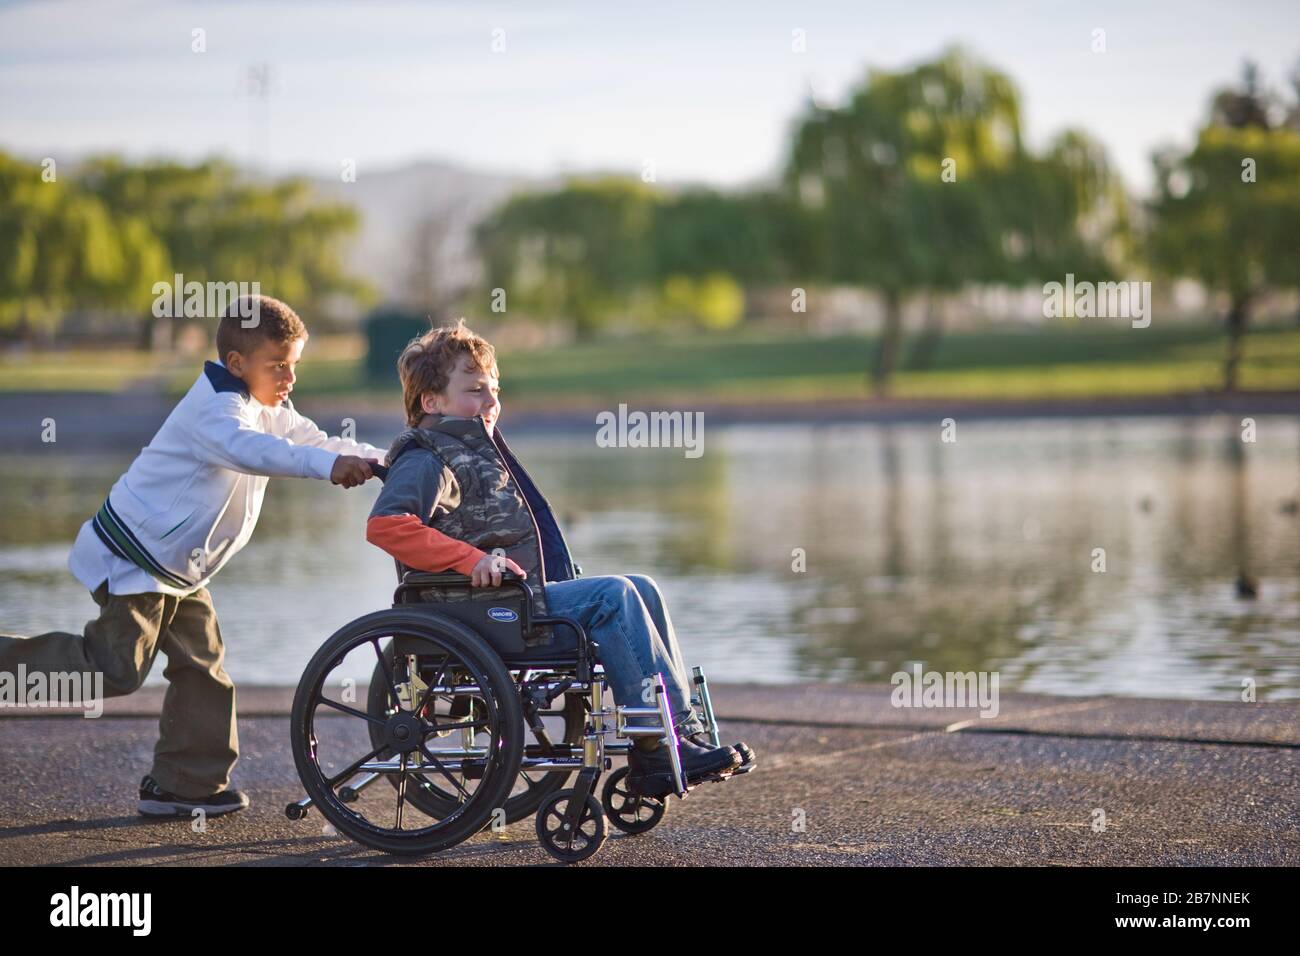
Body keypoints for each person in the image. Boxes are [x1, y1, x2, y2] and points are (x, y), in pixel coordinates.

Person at [0, 295, 383, 817]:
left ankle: (184, 786)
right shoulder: (216, 409)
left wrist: (381, 458)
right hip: (136, 560)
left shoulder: (267, 405)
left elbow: (308, 438)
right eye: (278, 366)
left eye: (294, 365)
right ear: (237, 364)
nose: (289, 377)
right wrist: (326, 467)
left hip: (178, 570)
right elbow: (254, 451)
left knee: (203, 666)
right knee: (116, 670)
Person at [365, 319, 755, 797]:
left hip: (506, 599)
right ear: (432, 401)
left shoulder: (472, 448)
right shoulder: (427, 457)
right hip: (475, 606)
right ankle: (658, 742)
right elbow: (387, 526)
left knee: (642, 587)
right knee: (614, 595)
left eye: (494, 389)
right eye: (475, 391)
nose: (491, 402)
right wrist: (471, 561)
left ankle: (674, 735)